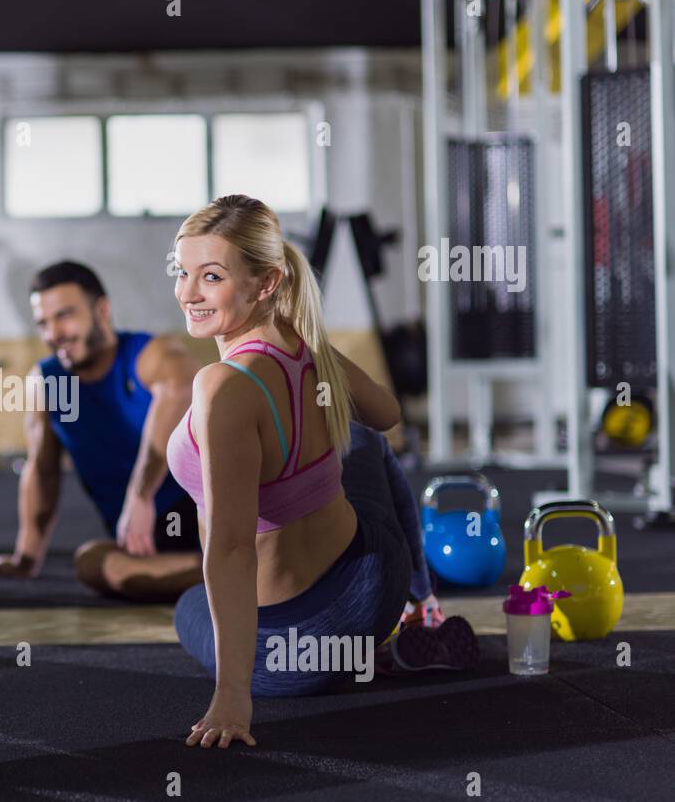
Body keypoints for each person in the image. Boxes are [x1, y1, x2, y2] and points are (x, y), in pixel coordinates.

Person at [164, 195, 475, 750]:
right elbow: (388, 414)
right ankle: (421, 609)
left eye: (210, 277)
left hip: (285, 659)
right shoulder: (303, 344)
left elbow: (232, 547)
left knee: (189, 608)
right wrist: (314, 352)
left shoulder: (222, 386)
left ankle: (385, 640)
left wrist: (233, 694)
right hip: (377, 579)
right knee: (363, 440)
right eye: (182, 272)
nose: (188, 293)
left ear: (265, 283)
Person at [0, 260, 203, 602]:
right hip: (146, 546)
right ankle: (239, 573)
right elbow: (42, 469)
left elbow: (183, 389)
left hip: (206, 517)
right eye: (43, 323)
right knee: (94, 565)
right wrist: (27, 557)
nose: (53, 334)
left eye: (64, 316)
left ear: (102, 310)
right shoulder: (49, 381)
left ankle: (242, 561)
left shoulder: (151, 355)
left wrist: (141, 495)